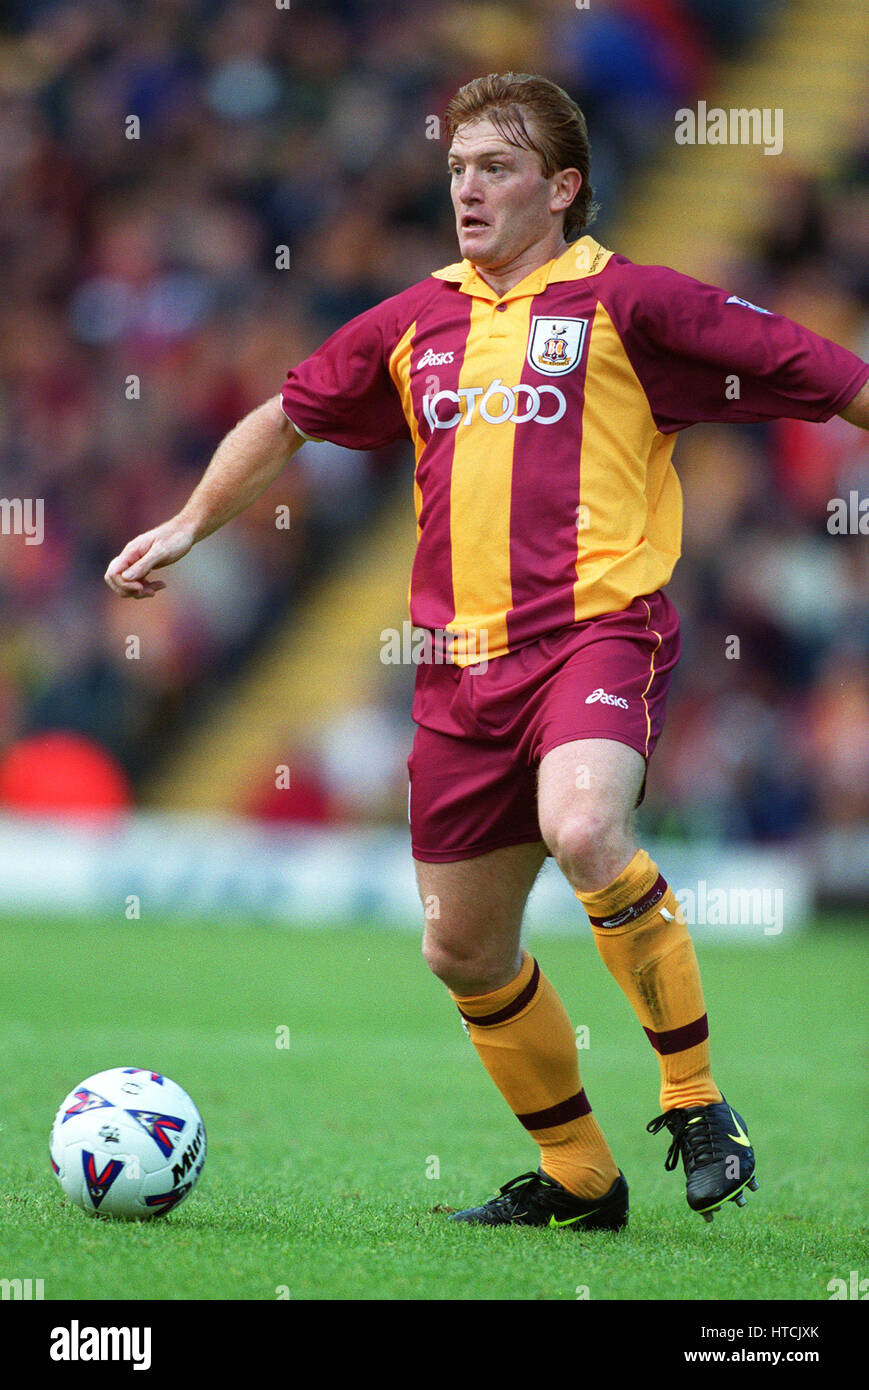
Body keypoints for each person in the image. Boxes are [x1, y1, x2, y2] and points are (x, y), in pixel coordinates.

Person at [105, 72, 869, 1232]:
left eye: (496, 167)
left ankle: (695, 1097)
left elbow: (829, 373)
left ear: (561, 187)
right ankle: (579, 1179)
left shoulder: (635, 304)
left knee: (582, 826)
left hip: (595, 632)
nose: (466, 187)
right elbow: (285, 414)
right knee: (461, 948)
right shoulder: (415, 321)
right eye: (457, 167)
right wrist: (186, 524)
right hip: (459, 672)